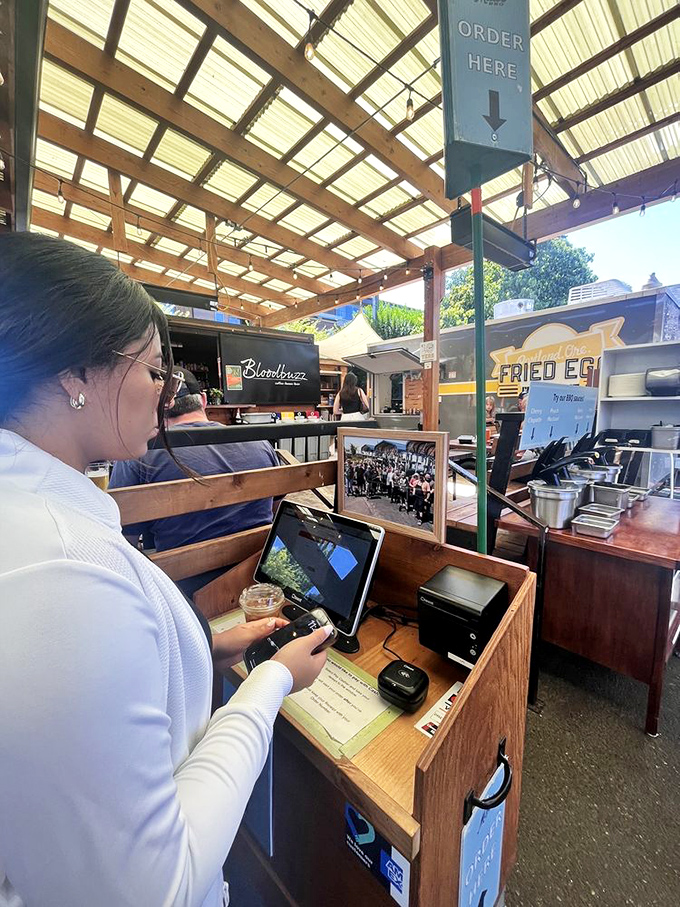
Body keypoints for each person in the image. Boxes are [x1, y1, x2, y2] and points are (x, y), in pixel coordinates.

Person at [0, 234, 329, 907]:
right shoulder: (66, 575)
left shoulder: (45, 523)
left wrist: (216, 644)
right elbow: (157, 887)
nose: (163, 390)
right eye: (154, 369)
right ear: (73, 373)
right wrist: (271, 679)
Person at [109, 368, 279, 598]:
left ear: (157, 408)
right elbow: (276, 509)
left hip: (185, 594)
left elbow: (122, 541)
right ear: (204, 400)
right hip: (259, 576)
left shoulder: (140, 454)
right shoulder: (260, 443)